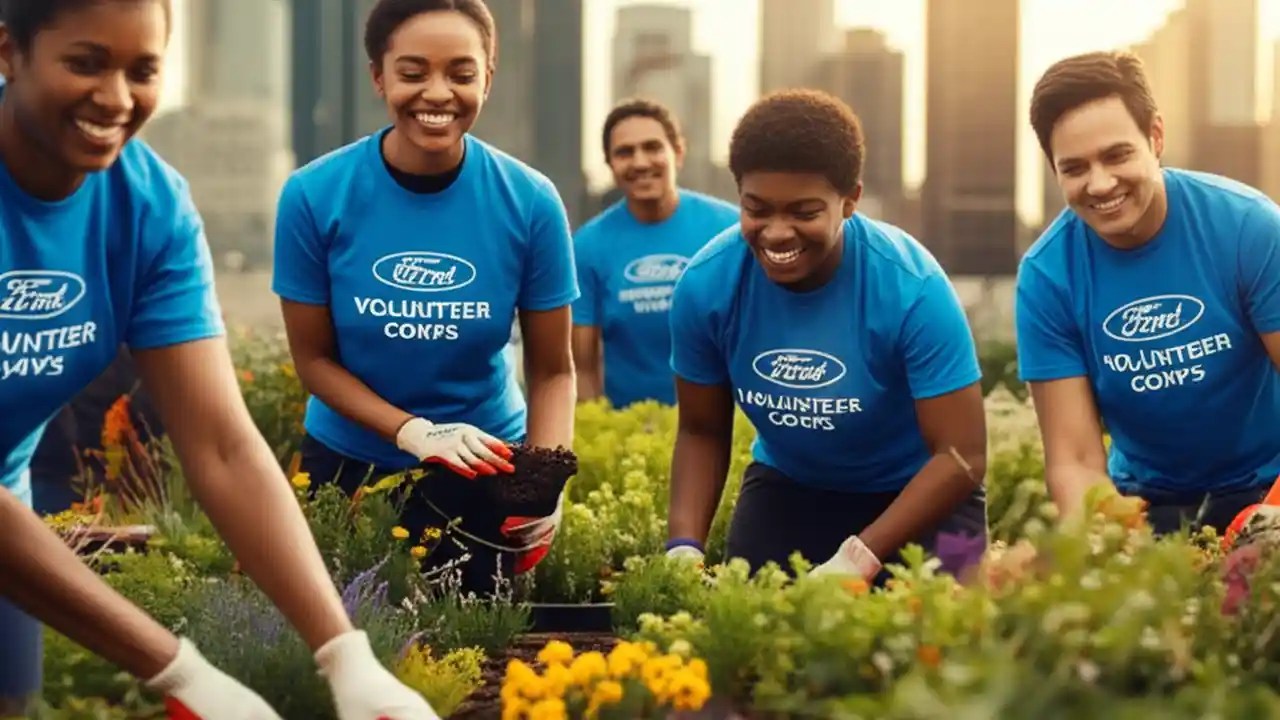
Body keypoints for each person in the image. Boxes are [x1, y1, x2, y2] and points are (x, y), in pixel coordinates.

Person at [0, 0, 436, 718]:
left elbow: (223, 448)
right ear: (10, 53)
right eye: (85, 63)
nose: (115, 98)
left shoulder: (148, 209)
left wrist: (345, 656)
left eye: (142, 70)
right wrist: (183, 674)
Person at [273, 0, 578, 596]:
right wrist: (412, 431)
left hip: (486, 465)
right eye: (413, 73)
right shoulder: (314, 195)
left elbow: (552, 368)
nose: (437, 93)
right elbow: (314, 362)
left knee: (479, 651)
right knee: (338, 639)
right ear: (378, 76)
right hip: (347, 463)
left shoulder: (532, 201)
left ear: (487, 78)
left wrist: (544, 477)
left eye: (461, 74)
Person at [662, 89, 989, 584]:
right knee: (749, 636)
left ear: (850, 200)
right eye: (757, 209)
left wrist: (859, 559)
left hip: (922, 495)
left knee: (945, 644)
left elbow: (963, 456)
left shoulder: (912, 288)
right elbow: (702, 429)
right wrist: (684, 548)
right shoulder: (708, 284)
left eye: (804, 212)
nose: (776, 233)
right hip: (792, 488)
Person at [1017, 50, 1280, 534]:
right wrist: (1107, 548)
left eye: (1117, 156)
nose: (1100, 184)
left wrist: (1273, 514)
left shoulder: (1249, 227)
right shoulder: (1046, 275)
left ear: (1155, 137)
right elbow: (1074, 460)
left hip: (1268, 486)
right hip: (1143, 504)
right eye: (1074, 168)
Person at [572, 98, 738, 408]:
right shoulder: (586, 247)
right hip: (632, 434)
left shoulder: (730, 231)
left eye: (652, 147)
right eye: (624, 152)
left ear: (678, 152)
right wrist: (592, 432)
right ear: (610, 164)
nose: (640, 162)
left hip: (724, 425)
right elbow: (582, 368)